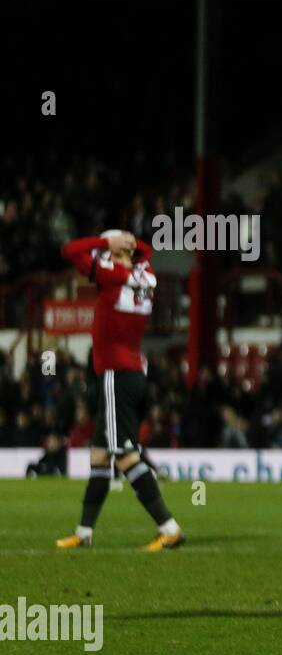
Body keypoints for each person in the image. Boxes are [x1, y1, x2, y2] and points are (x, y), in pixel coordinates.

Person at [55, 231, 184, 551]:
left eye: (112, 254)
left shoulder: (113, 277)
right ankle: (84, 532)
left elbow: (69, 250)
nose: (106, 258)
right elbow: (146, 251)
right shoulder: (146, 275)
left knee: (125, 456)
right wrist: (127, 243)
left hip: (117, 374)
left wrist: (103, 241)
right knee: (100, 456)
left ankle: (169, 527)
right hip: (131, 371)